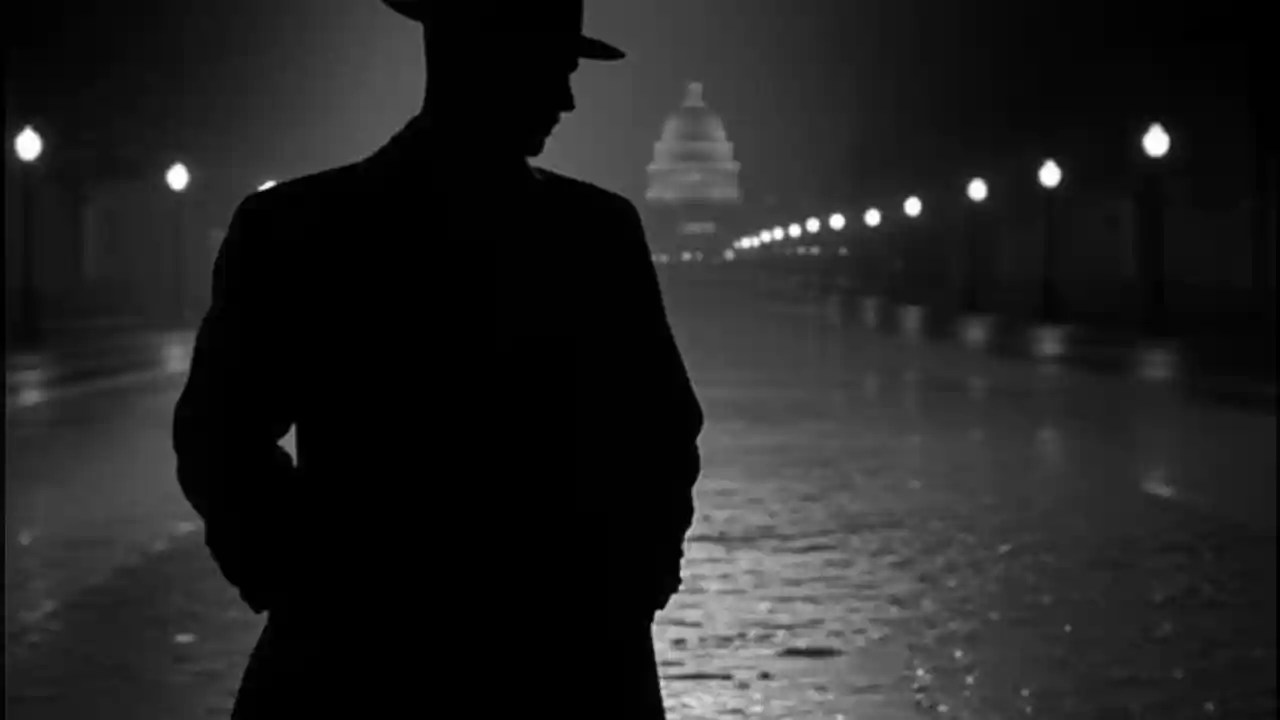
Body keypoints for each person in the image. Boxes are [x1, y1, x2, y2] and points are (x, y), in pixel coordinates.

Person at [171, 1, 704, 717]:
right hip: (564, 664)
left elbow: (218, 439)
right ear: (481, 59)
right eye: (552, 69)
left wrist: (311, 586)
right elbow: (660, 436)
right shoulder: (595, 235)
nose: (567, 99)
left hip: (357, 666)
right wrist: (621, 585)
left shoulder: (299, 226)